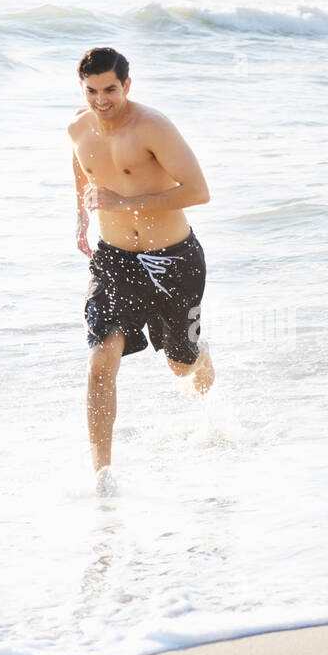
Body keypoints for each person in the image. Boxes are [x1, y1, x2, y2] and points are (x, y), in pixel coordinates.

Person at [68, 47, 214, 489]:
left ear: (127, 85)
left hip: (173, 260)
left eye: (110, 89)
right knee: (100, 360)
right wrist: (80, 217)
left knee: (181, 366)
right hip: (114, 259)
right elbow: (81, 166)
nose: (101, 100)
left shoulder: (153, 126)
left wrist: (127, 202)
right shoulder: (78, 127)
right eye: (91, 91)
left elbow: (199, 191)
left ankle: (200, 356)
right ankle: (103, 475)